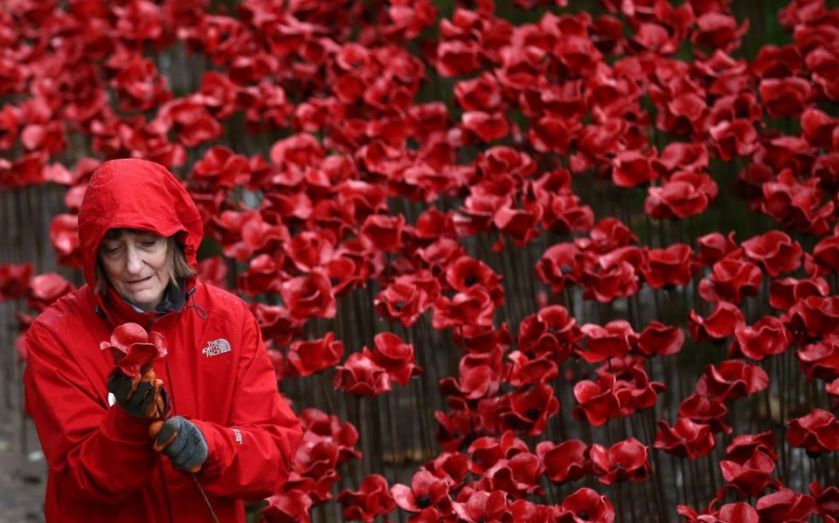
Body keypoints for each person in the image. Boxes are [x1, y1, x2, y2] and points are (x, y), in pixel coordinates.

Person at [23, 158, 302, 522]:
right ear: (94, 256)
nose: (134, 266)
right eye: (113, 248)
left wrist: (209, 447)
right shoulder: (56, 337)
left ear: (176, 240)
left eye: (147, 242)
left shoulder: (227, 320)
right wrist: (129, 424)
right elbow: (82, 482)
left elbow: (275, 454)